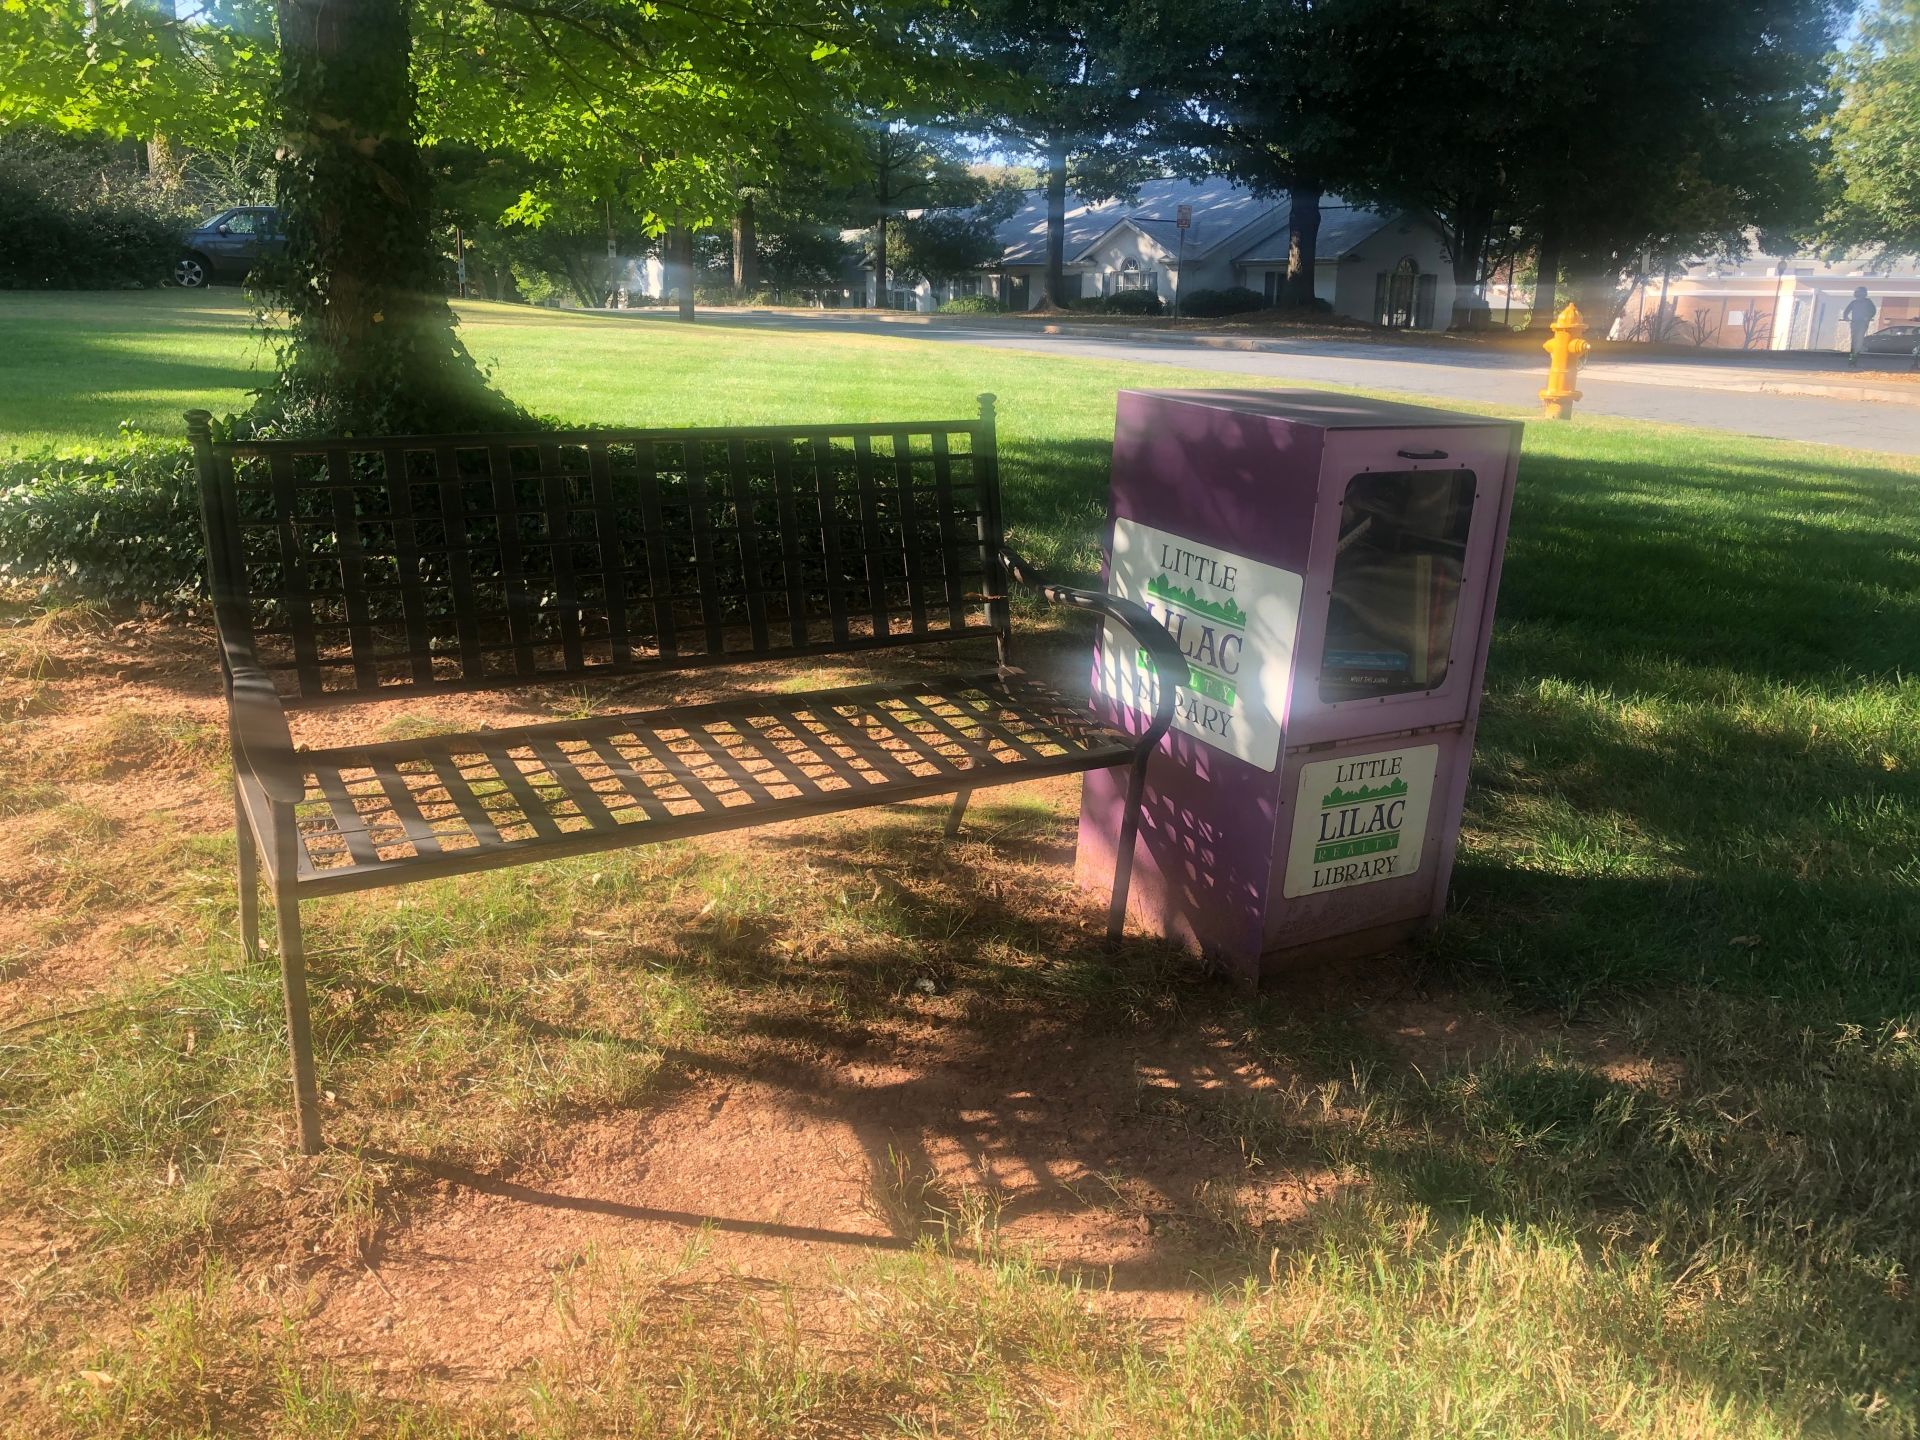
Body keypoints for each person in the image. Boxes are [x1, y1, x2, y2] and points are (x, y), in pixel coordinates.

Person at [1842, 286, 1877, 367]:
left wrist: (1868, 317)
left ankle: (1854, 358)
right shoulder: (1854, 302)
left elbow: (1873, 311)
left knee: (1858, 341)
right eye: (1857, 292)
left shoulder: (1868, 302)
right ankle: (1852, 358)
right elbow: (1846, 311)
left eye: (1860, 292)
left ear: (1864, 293)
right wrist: (1845, 317)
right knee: (1854, 341)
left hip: (1863, 324)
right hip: (1854, 323)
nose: (1858, 294)